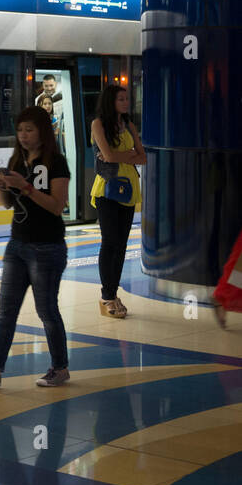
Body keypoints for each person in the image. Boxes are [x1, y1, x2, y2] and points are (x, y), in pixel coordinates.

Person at [0, 105, 71, 388]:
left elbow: (57, 207)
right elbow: (9, 204)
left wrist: (26, 187)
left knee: (46, 310)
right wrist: (2, 187)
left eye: (29, 130)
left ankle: (60, 367)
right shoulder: (17, 160)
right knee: (6, 310)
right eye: (20, 130)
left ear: (42, 132)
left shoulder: (56, 162)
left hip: (47, 246)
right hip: (18, 242)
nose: (23, 135)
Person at [90, 84, 145, 318]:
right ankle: (107, 296)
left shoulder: (130, 125)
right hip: (107, 190)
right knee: (110, 241)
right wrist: (127, 156)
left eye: (126, 98)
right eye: (121, 99)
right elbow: (109, 156)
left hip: (129, 189)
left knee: (121, 245)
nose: (126, 102)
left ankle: (113, 293)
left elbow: (143, 157)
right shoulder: (98, 124)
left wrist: (121, 157)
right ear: (110, 101)